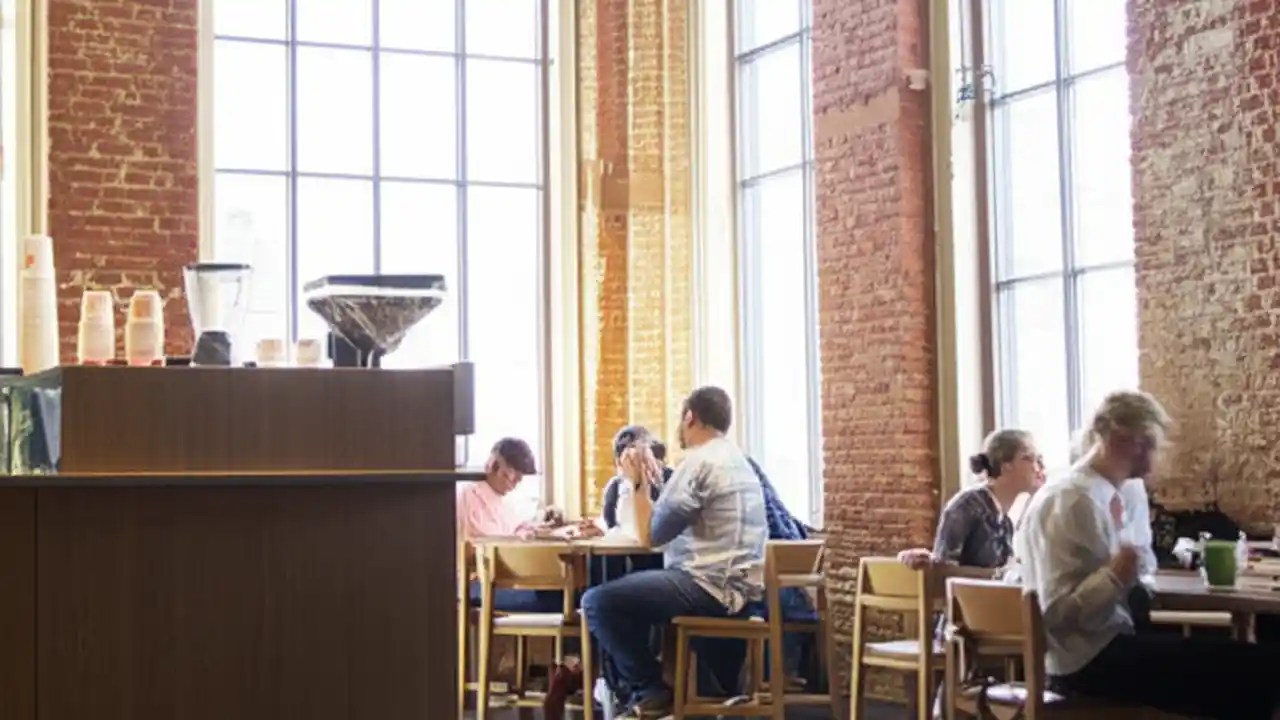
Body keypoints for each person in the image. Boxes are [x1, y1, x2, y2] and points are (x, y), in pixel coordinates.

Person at [1020, 390, 1280, 719]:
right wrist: (1115, 576)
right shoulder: (1074, 501)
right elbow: (1058, 616)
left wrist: (1127, 574)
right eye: (1150, 442)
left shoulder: (1111, 491)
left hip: (1103, 648)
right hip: (1085, 662)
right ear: (1122, 438)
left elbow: (1138, 566)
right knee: (1257, 668)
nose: (1154, 454)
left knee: (1238, 664)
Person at [581, 386, 768, 718]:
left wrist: (636, 481)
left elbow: (650, 535)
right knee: (633, 595)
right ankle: (650, 694)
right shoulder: (738, 460)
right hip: (744, 589)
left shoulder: (699, 463)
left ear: (689, 417)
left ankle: (650, 691)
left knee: (599, 602)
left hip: (709, 587)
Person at [898, 428, 1045, 572]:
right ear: (1006, 465)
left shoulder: (1006, 520)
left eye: (1040, 460)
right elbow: (944, 570)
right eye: (1029, 458)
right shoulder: (966, 506)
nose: (1040, 467)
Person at [456, 437, 571, 613]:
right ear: (493, 466)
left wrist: (541, 528)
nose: (514, 484)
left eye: (518, 479)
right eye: (509, 476)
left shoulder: (502, 501)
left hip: (502, 581)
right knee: (561, 597)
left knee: (572, 592)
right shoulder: (468, 496)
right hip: (478, 584)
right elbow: (477, 545)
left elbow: (516, 528)